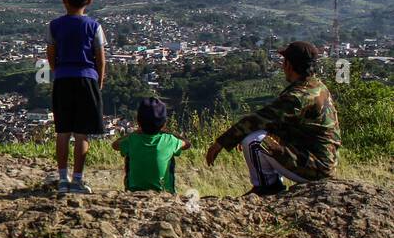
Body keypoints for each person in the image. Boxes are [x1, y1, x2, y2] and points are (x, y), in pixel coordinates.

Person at [205, 41, 341, 195]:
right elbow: (281, 122)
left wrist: (220, 143)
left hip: (316, 168)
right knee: (254, 135)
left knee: (254, 141)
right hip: (322, 161)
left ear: (289, 65)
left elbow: (258, 119)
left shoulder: (298, 96)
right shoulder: (317, 86)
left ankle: (267, 187)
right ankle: (271, 184)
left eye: (284, 62)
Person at [47, 0, 106, 194]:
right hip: (87, 79)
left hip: (63, 79)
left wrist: (58, 72)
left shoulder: (54, 26)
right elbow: (100, 59)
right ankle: (78, 180)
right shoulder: (94, 27)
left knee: (63, 132)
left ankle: (63, 178)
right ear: (89, 1)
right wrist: (98, 83)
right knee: (82, 134)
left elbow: (51, 55)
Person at [112, 97, 190, 193]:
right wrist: (169, 133)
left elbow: (115, 145)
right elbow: (187, 144)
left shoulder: (132, 139)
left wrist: (135, 132)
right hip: (164, 192)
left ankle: (131, 186)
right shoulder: (170, 140)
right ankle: (168, 188)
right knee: (170, 158)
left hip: (134, 191)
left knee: (128, 156)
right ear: (164, 123)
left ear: (138, 121)